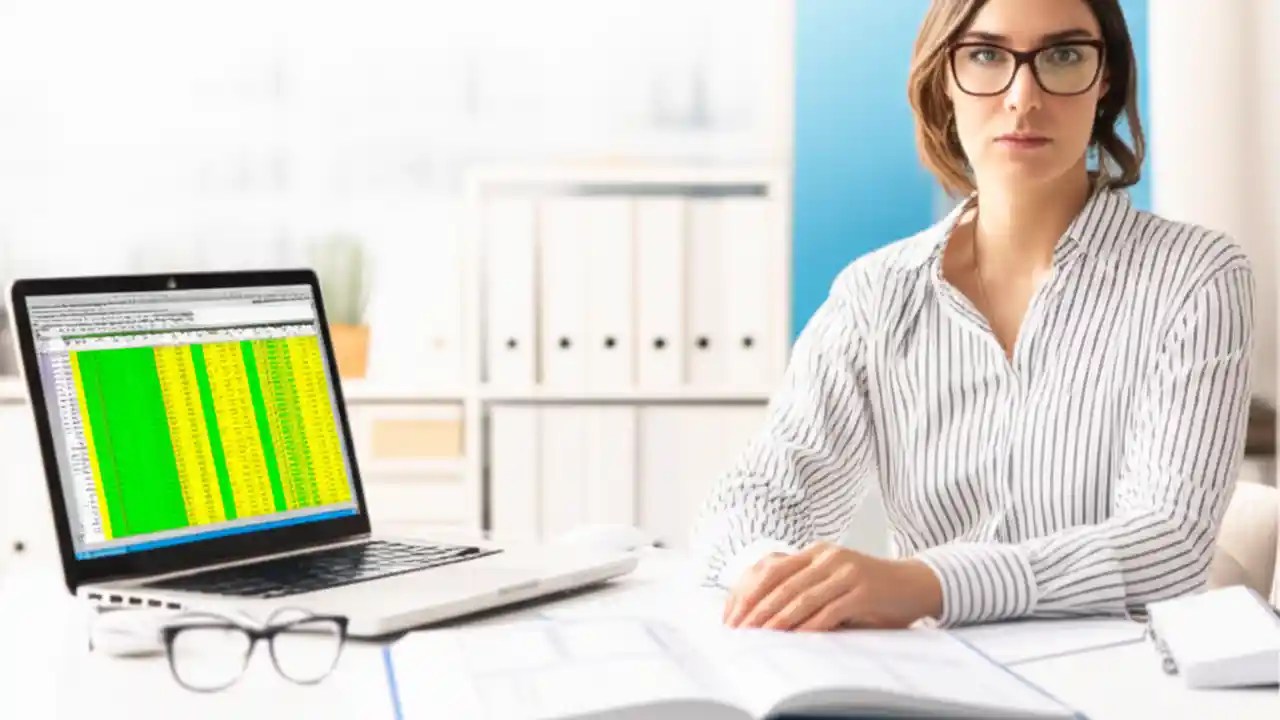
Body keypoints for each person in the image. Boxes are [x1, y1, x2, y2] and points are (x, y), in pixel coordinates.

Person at [691, 0, 1255, 632]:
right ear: (943, 82)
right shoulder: (877, 294)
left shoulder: (1197, 276)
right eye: (986, 55)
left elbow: (1168, 549)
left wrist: (928, 584)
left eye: (1063, 56)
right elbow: (755, 500)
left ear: (1106, 83)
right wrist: (778, 576)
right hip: (927, 679)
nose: (1023, 96)